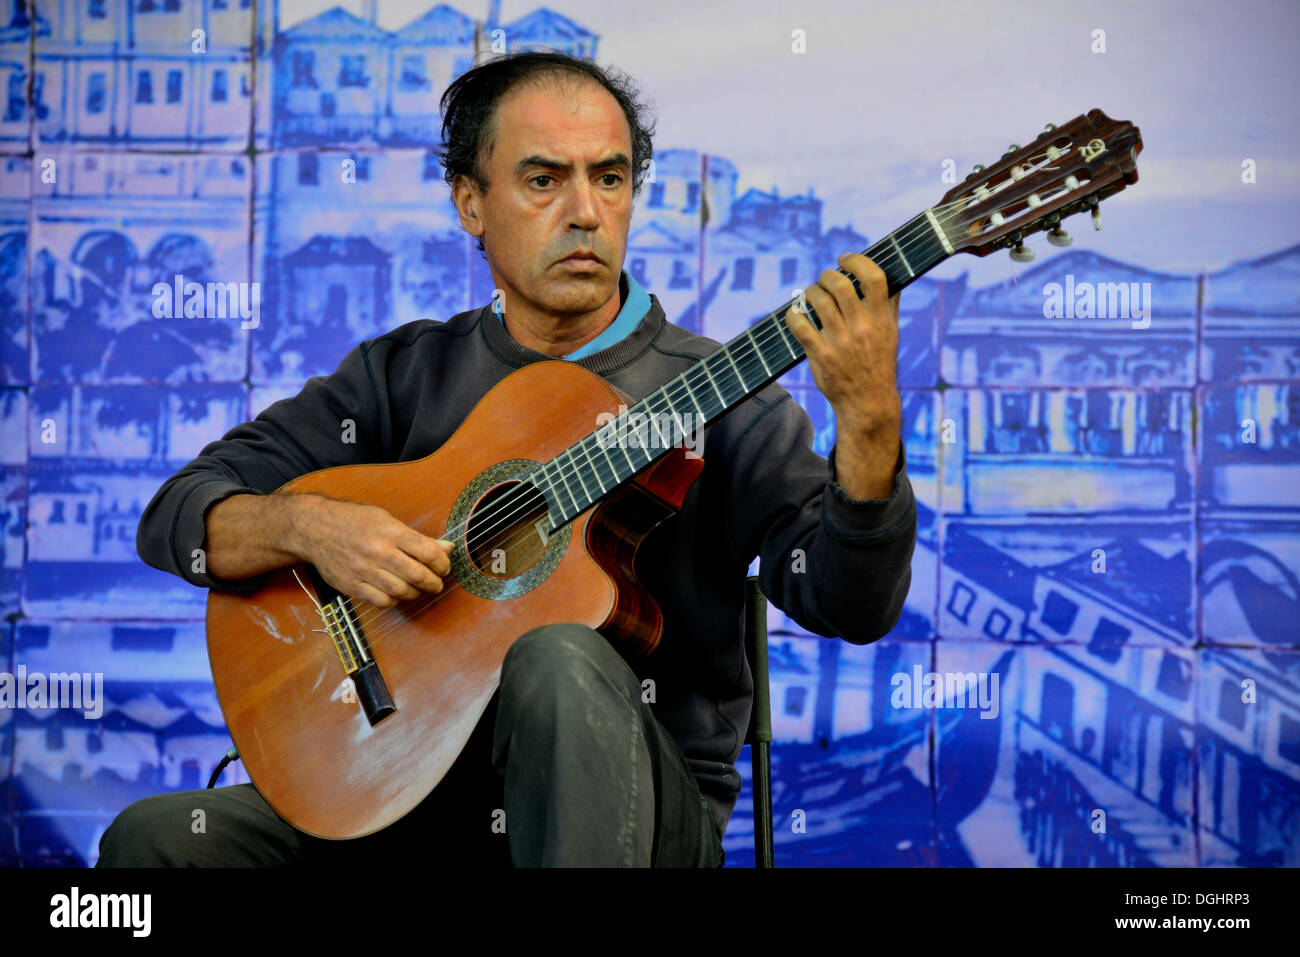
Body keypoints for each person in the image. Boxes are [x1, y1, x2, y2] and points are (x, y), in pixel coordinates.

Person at [96, 49, 916, 868]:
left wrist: (870, 425)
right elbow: (181, 514)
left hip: (636, 821)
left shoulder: (725, 399)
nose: (586, 212)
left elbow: (854, 604)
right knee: (157, 843)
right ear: (469, 204)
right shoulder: (404, 376)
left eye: (611, 178)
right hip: (406, 807)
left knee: (557, 654)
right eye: (543, 180)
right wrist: (309, 526)